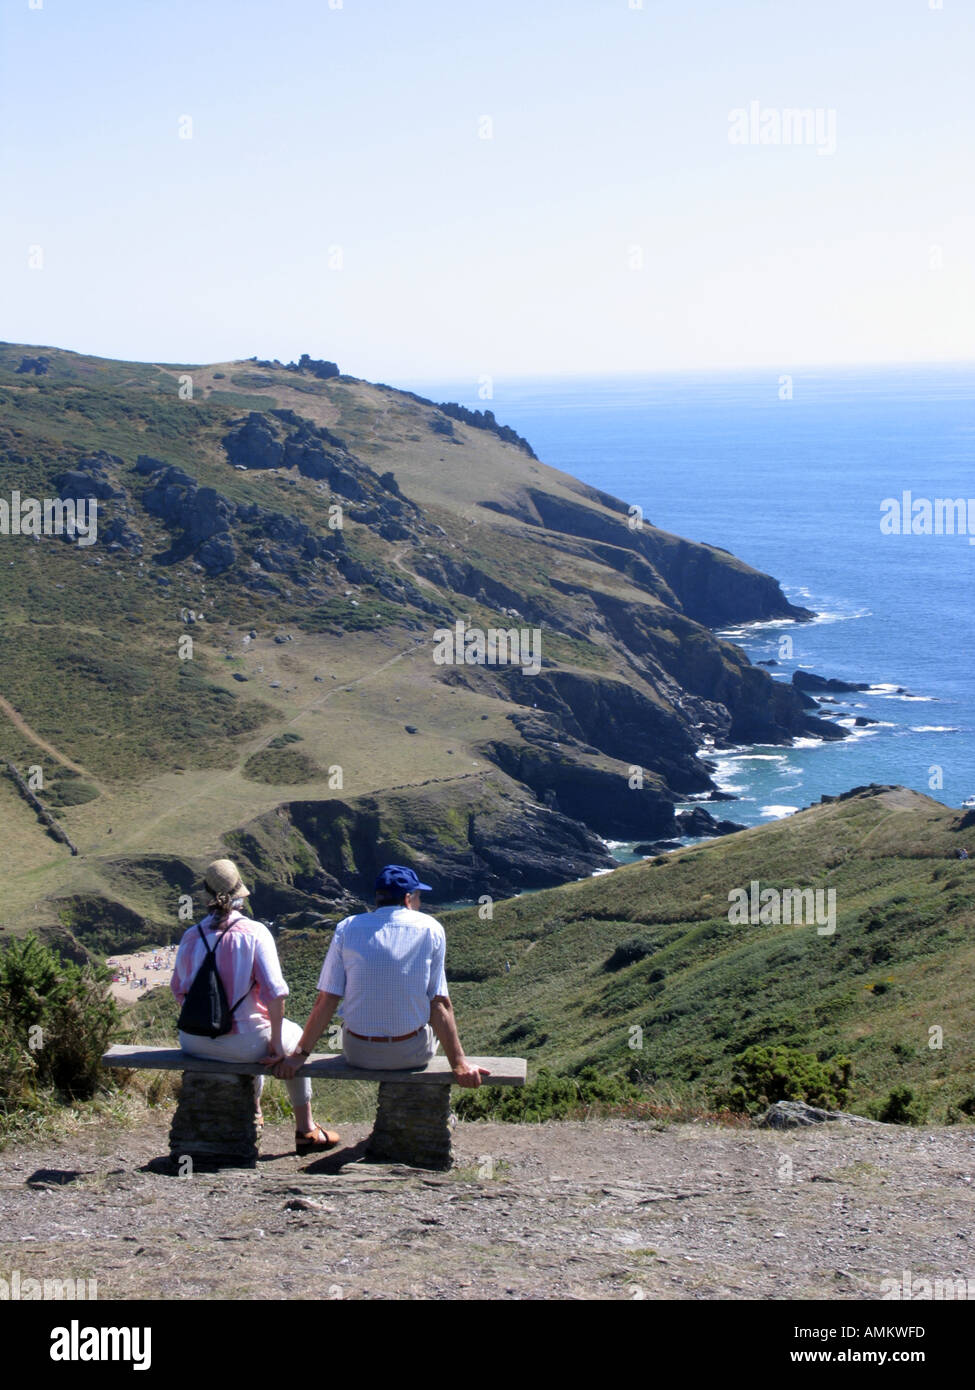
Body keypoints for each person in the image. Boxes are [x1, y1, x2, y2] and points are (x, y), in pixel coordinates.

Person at [170, 858, 339, 1154]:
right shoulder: (255, 933)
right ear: (240, 895)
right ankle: (306, 1129)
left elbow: (179, 991)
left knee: (255, 1035)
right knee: (291, 1035)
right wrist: (276, 1045)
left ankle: (255, 1112)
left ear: (207, 896)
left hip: (193, 1041)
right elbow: (276, 995)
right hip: (243, 1045)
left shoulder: (190, 936)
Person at [274, 864, 488, 1087]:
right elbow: (440, 1004)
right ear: (407, 899)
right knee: (429, 1007)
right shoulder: (431, 928)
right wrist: (459, 1062)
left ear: (378, 898)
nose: (420, 903)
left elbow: (326, 1000)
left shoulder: (346, 928)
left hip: (358, 1053)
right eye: (418, 897)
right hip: (411, 1054)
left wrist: (299, 1055)